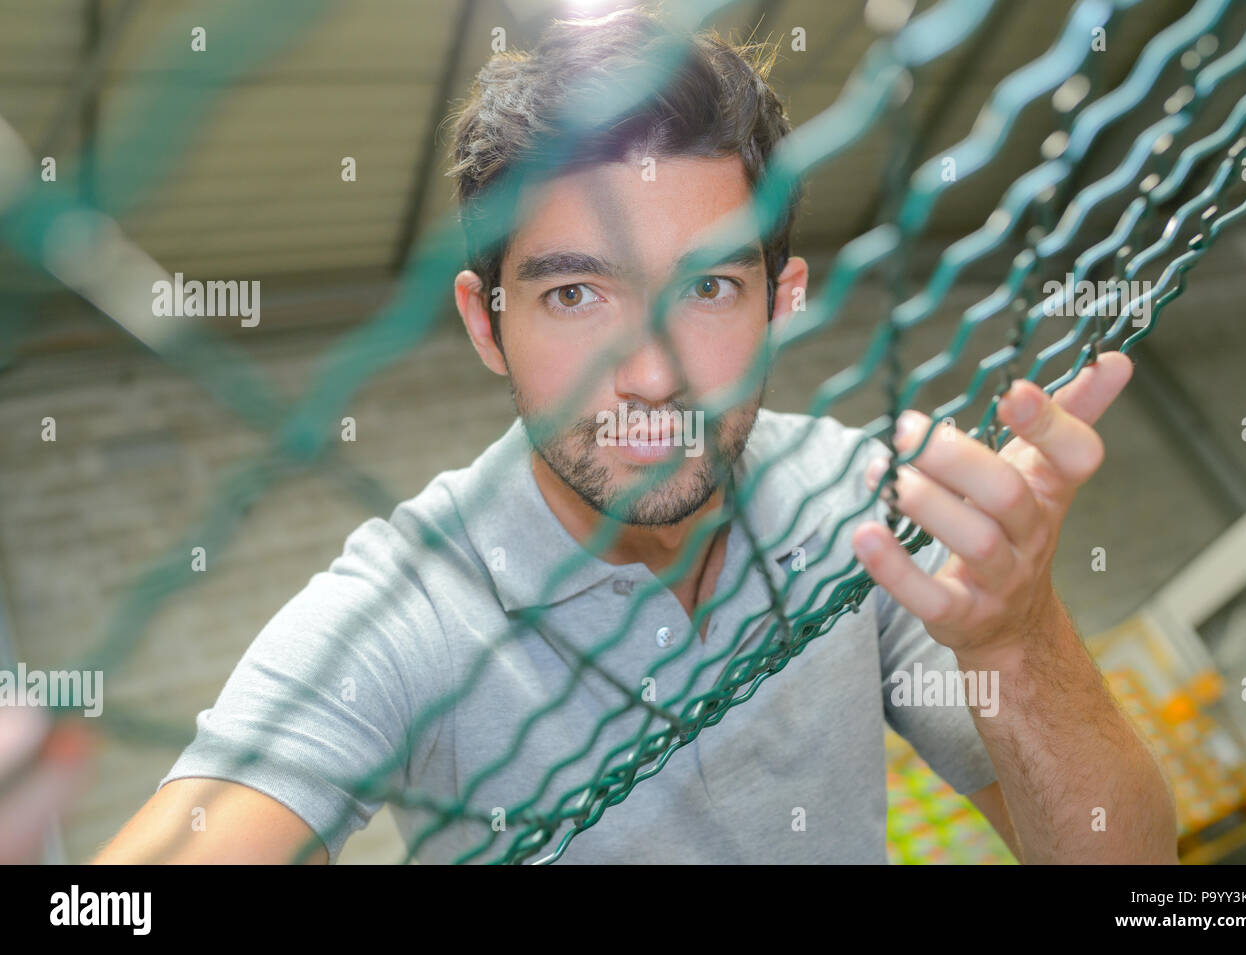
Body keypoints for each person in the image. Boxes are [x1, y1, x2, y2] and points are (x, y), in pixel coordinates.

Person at [92, 4, 1175, 864]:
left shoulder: (865, 504)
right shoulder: (404, 607)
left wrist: (1016, 639)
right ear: (486, 321)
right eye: (574, 295)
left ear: (779, 299)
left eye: (706, 287)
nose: (650, 373)